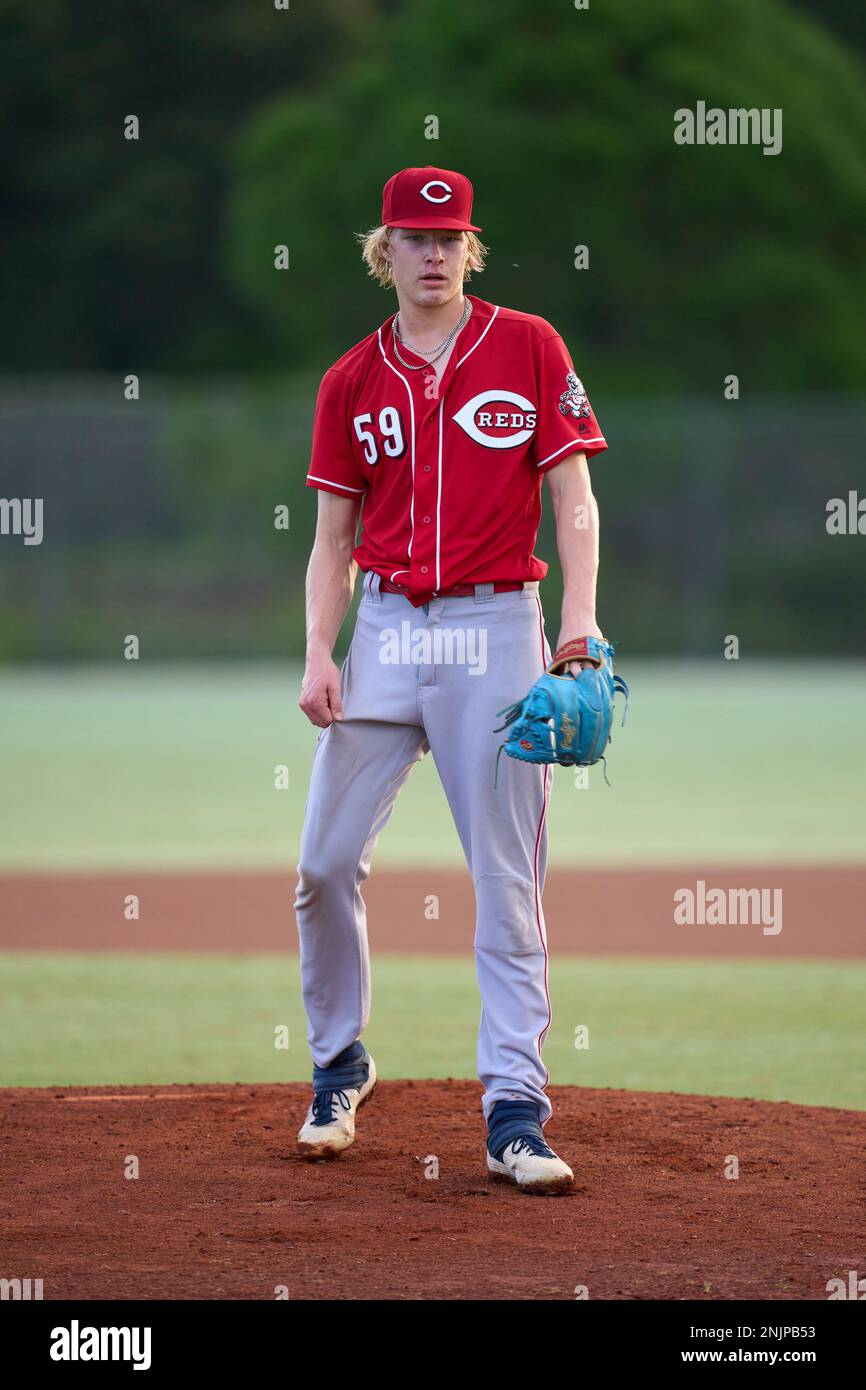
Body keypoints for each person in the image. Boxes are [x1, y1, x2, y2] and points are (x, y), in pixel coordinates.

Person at [294, 165, 609, 1195]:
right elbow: (331, 536)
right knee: (324, 865)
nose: (431, 254)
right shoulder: (350, 379)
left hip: (494, 627)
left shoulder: (527, 346)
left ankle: (513, 1111)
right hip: (383, 630)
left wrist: (575, 623)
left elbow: (572, 501)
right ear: (382, 250)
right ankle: (339, 1066)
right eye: (412, 238)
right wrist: (317, 649)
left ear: (467, 248)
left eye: (449, 239)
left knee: (506, 884)